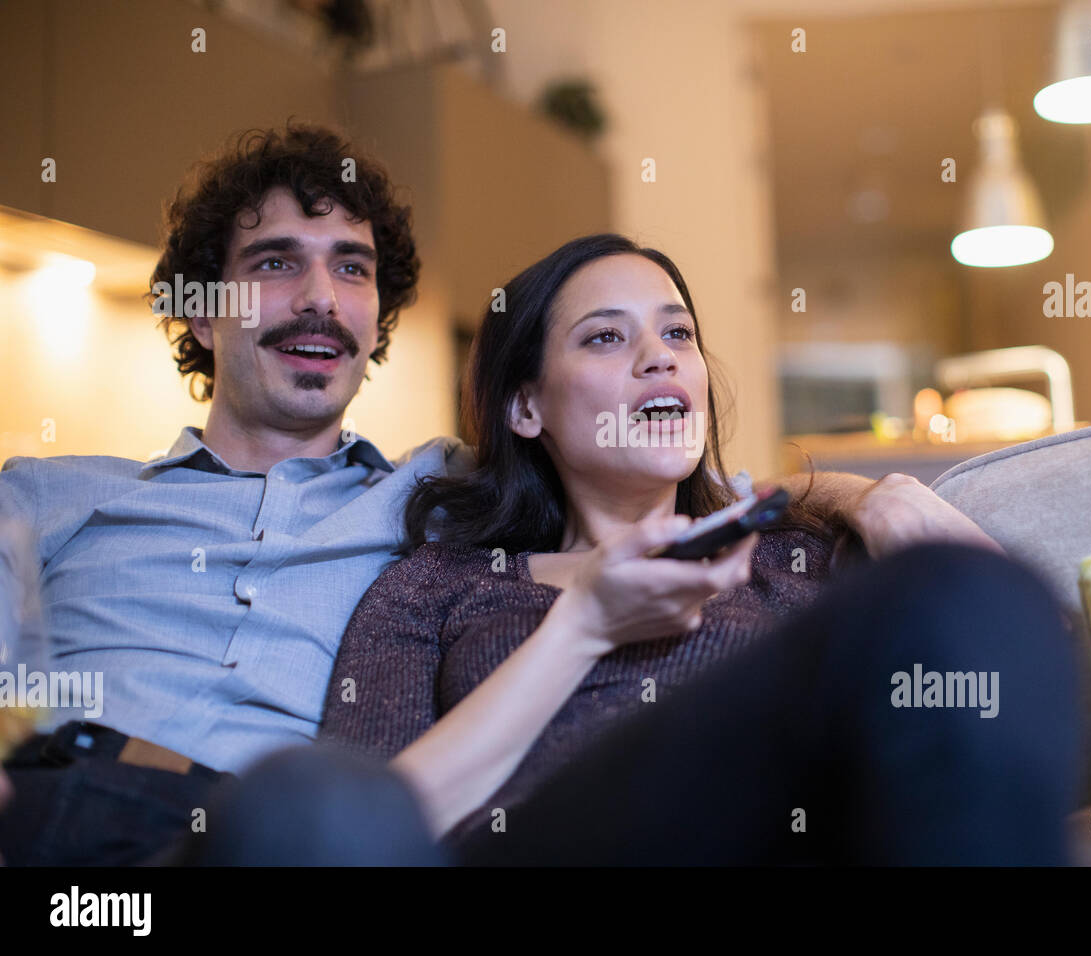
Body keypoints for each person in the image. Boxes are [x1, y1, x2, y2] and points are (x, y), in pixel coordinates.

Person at [0, 125, 971, 866]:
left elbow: (665, 462)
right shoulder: (47, 493)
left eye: (352, 269)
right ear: (199, 314)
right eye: (273, 263)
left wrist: (865, 491)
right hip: (60, 800)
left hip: (282, 828)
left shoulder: (431, 496)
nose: (319, 298)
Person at [314, 234, 1091, 865]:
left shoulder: (792, 558)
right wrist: (582, 626)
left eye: (678, 332)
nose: (659, 355)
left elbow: (976, 779)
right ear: (523, 404)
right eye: (605, 339)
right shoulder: (434, 588)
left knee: (962, 604)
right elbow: (356, 834)